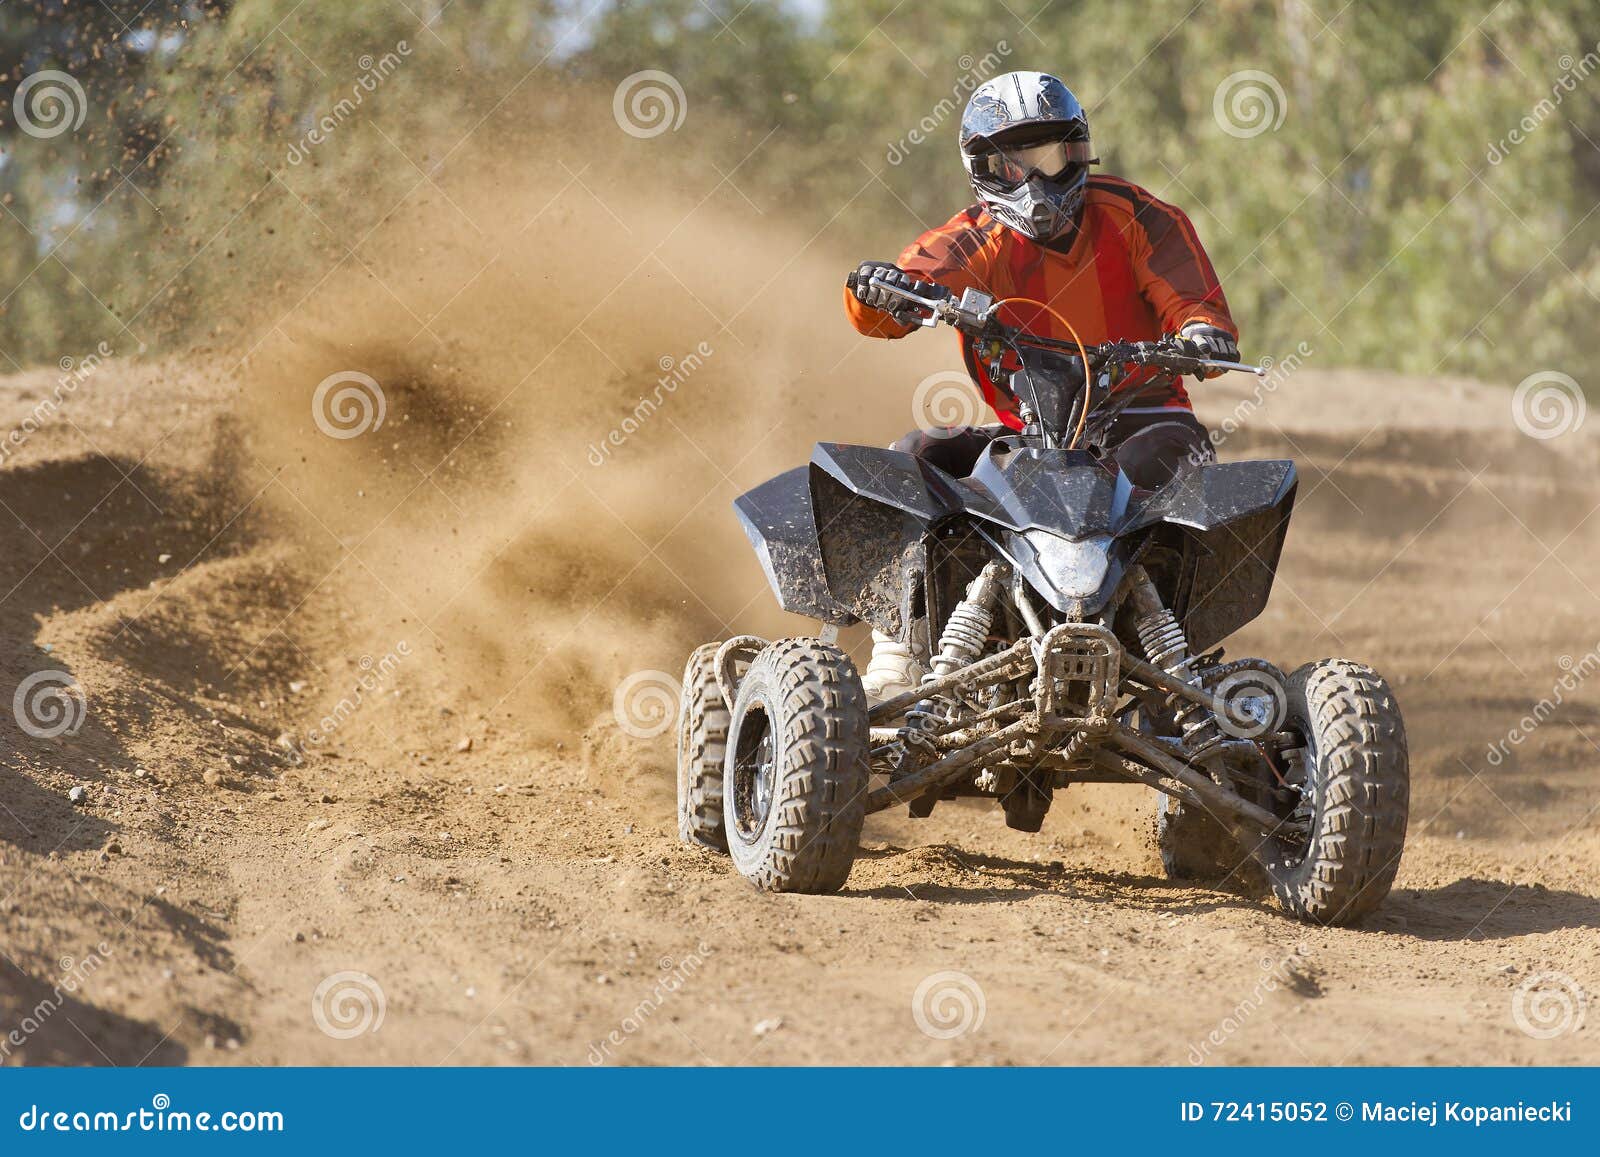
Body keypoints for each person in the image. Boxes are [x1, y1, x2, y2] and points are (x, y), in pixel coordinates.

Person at [845, 70, 1241, 701]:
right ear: (981, 169)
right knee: (919, 452)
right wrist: (878, 291)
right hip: (1031, 435)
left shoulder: (1139, 216)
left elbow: (1198, 307)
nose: (1035, 179)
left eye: (1051, 156)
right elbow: (888, 306)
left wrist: (1201, 335)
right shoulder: (972, 237)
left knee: (1166, 460)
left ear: (1079, 152)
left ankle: (1173, 664)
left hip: (1145, 417)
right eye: (1013, 163)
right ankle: (898, 653)